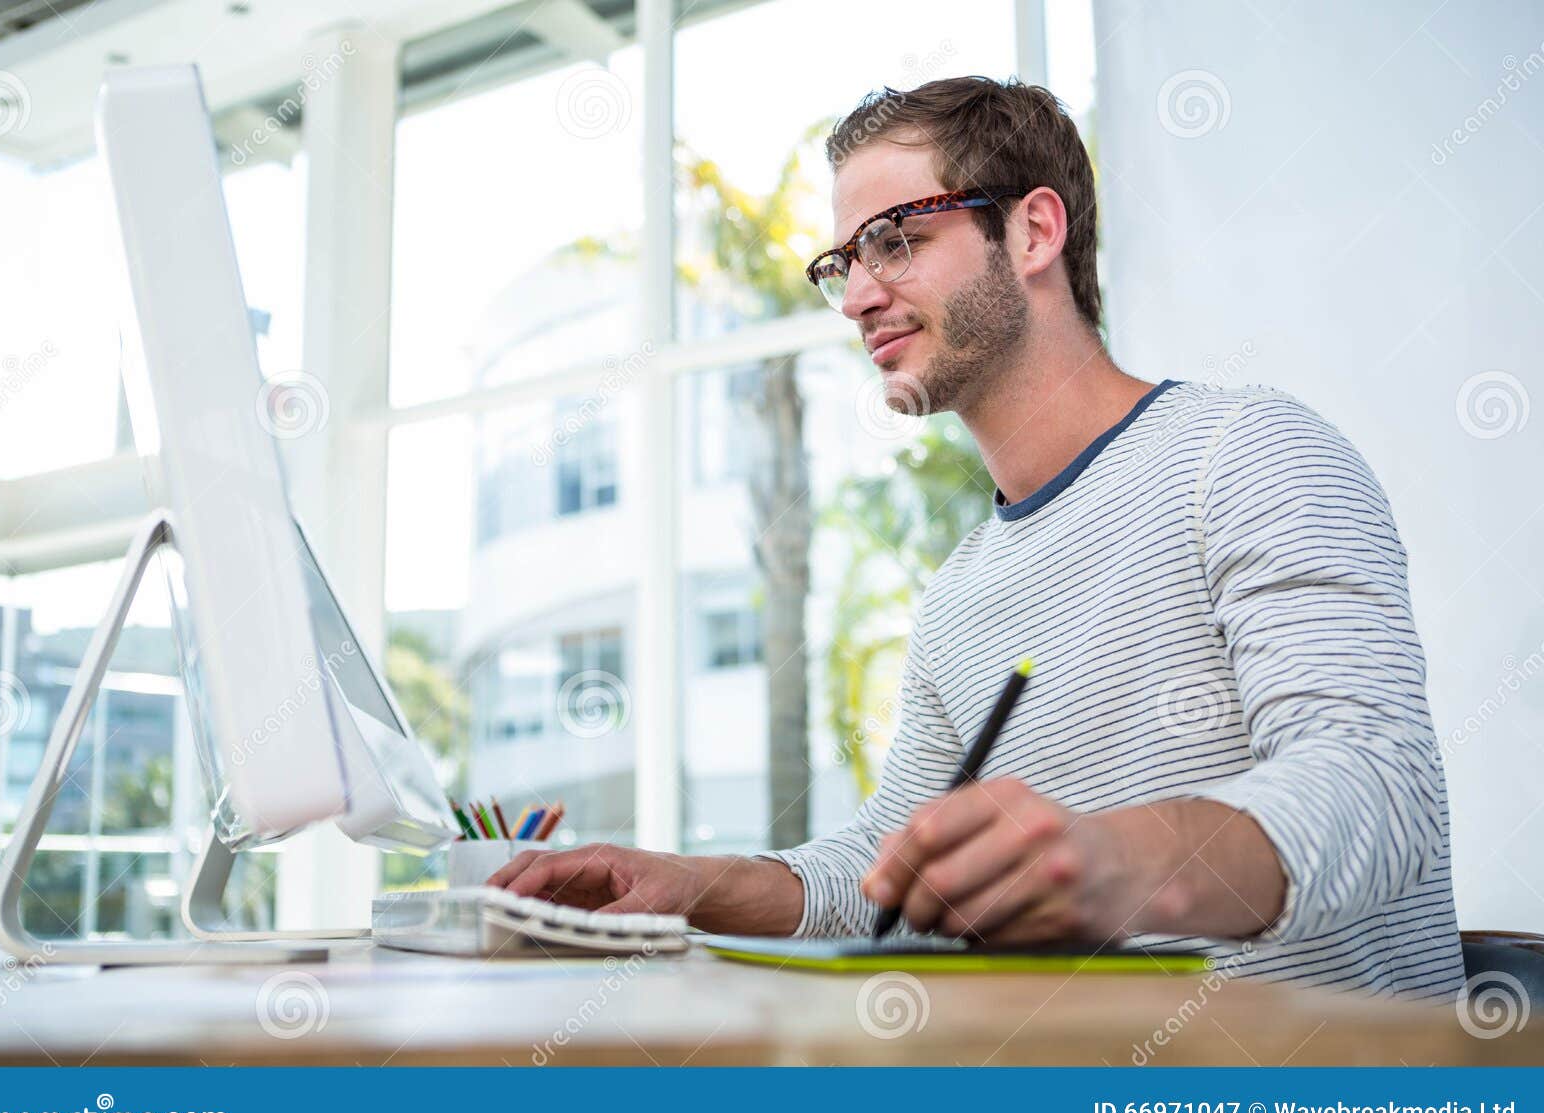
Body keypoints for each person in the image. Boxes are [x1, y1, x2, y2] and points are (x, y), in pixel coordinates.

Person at [491, 76, 1464, 997]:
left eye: (894, 239)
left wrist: (1110, 862)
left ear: (1034, 229)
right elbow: (886, 872)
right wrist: (689, 882)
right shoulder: (962, 589)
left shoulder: (1243, 452)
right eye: (843, 264)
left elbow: (1376, 785)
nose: (861, 295)